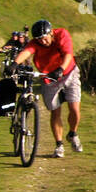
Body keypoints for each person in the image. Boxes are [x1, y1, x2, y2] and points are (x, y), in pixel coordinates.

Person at [13, 19, 82, 158]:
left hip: (69, 73)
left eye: (45, 39)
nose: (43, 42)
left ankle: (72, 133)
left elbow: (68, 54)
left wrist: (61, 69)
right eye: (39, 40)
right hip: (49, 78)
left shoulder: (62, 34)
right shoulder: (35, 43)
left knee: (74, 109)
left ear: (51, 33)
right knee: (55, 111)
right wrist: (14, 64)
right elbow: (27, 51)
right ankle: (59, 145)